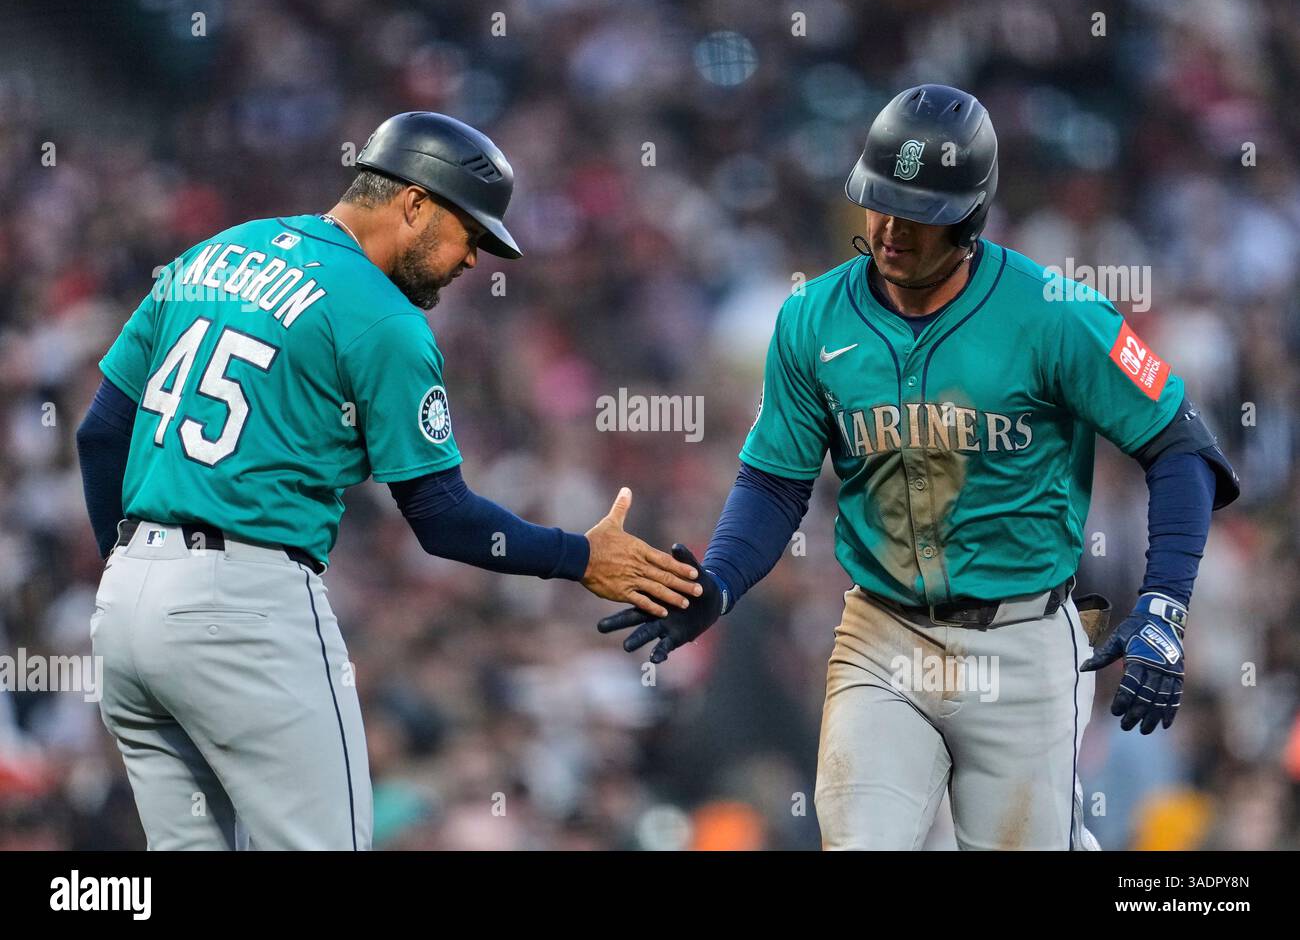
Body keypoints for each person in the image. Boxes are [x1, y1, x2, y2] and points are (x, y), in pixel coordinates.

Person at [597, 85, 1239, 850]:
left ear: (969, 220)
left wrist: (1165, 609)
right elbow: (775, 480)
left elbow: (1181, 447)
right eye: (880, 203)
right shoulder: (813, 316)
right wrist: (721, 582)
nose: (891, 229)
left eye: (917, 214)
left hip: (1024, 639)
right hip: (883, 635)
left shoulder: (1053, 312)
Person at [76, 112, 700, 850]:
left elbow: (99, 432)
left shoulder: (212, 254)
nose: (475, 261)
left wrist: (131, 564)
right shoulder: (383, 318)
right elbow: (441, 517)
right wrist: (579, 557)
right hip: (245, 608)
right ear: (414, 204)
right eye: (472, 235)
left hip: (127, 611)